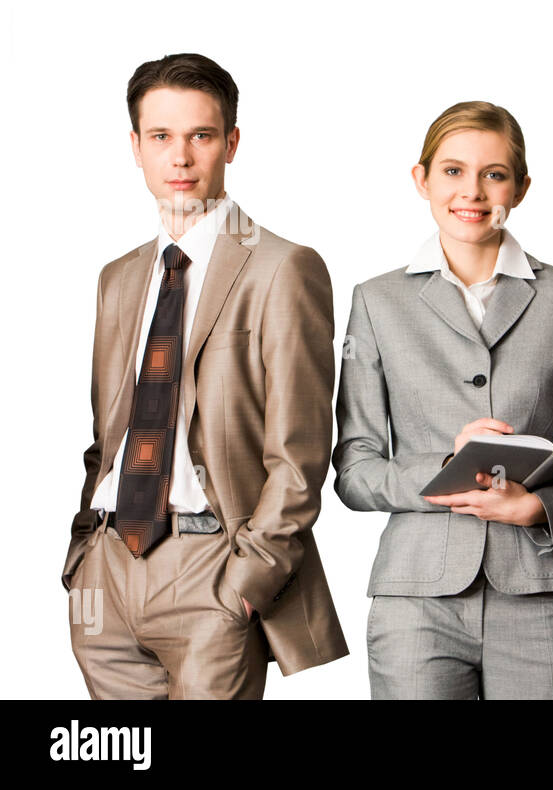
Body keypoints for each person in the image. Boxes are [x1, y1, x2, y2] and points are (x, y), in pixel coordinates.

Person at [64, 53, 348, 699]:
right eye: (161, 137)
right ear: (135, 148)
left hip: (210, 568)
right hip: (107, 573)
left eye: (202, 135)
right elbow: (108, 437)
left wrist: (249, 582)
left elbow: (301, 454)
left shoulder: (283, 267)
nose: (181, 157)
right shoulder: (119, 277)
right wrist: (82, 560)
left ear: (232, 143)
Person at [332, 101, 553, 699]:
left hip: (541, 590)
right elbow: (354, 472)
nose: (472, 190)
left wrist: (540, 509)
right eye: (452, 171)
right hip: (416, 602)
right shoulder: (377, 301)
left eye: (494, 173)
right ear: (422, 179)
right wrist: (445, 472)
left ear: (520, 187)